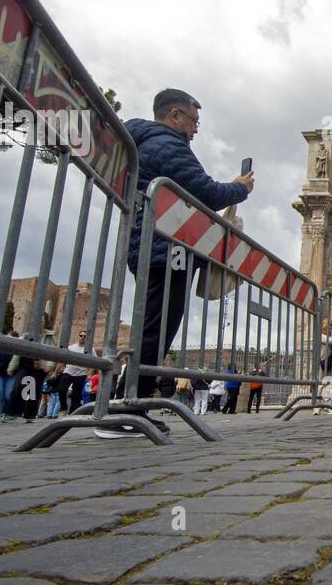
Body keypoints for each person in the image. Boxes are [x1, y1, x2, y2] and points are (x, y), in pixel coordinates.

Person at [106, 88, 253, 439]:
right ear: (175, 115)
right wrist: (240, 188)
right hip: (165, 249)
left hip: (151, 245)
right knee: (156, 331)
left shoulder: (142, 141)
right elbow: (207, 192)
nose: (195, 128)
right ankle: (126, 410)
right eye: (193, 120)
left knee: (152, 328)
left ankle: (129, 404)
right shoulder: (167, 145)